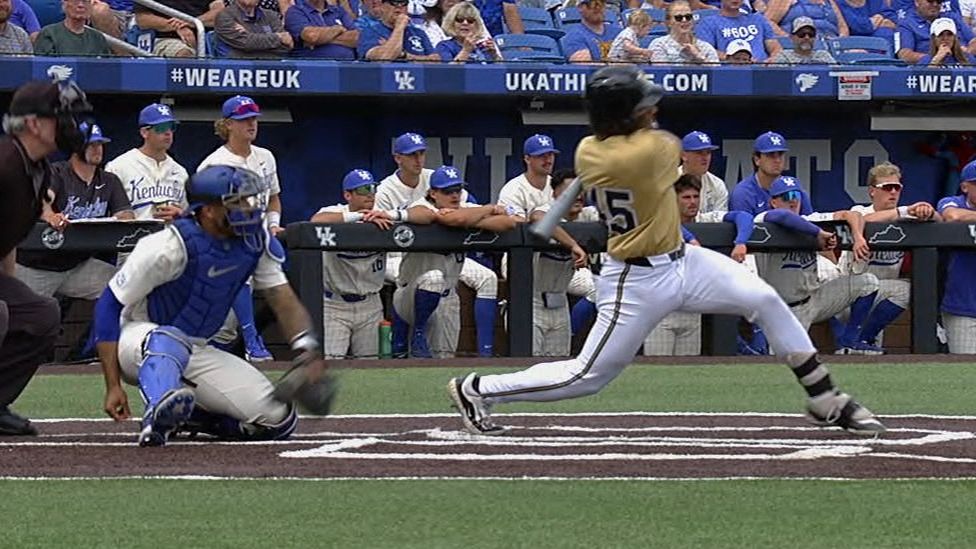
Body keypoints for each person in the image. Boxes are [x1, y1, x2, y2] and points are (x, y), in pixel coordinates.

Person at [445, 65, 885, 437]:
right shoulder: (653, 150)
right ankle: (478, 388)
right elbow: (662, 145)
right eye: (643, 106)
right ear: (624, 116)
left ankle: (825, 397)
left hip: (683, 258)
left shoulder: (590, 151)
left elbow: (624, 142)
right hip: (634, 279)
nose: (653, 110)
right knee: (586, 376)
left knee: (765, 299)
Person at [92, 165, 327, 447]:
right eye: (236, 202)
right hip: (137, 341)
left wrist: (307, 349)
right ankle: (156, 413)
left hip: (197, 347)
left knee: (278, 417)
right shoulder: (168, 245)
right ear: (208, 210)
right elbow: (108, 305)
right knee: (169, 338)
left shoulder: (255, 240)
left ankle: (196, 417)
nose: (249, 208)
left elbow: (281, 296)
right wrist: (113, 385)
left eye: (250, 200)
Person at [0, 79, 92, 436]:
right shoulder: (5, 164)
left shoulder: (39, 171)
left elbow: (6, 239)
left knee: (40, 312)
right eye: (62, 118)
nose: (72, 127)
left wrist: (9, 288)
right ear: (34, 124)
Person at [375, 132, 500, 357]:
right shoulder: (385, 189)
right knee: (424, 279)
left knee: (486, 277)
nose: (418, 159)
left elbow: (467, 207)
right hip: (398, 256)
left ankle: (486, 355)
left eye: (421, 153)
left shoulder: (434, 177)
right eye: (412, 155)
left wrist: (484, 211)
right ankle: (403, 342)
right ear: (398, 158)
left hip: (444, 252)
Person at [394, 165, 517, 358]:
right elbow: (453, 221)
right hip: (412, 296)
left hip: (448, 297)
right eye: (447, 191)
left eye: (457, 190)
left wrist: (472, 218)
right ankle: (418, 332)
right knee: (433, 278)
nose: (454, 195)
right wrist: (484, 212)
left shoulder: (466, 209)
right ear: (433, 193)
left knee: (445, 360)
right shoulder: (422, 206)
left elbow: (509, 222)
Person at [198, 95, 282, 362]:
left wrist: (273, 226)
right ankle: (251, 338)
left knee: (223, 327)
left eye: (254, 118)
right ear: (228, 124)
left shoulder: (265, 157)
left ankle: (227, 351)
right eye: (244, 119)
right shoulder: (214, 163)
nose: (251, 124)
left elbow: (274, 198)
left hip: (259, 232)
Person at [753, 177, 882, 348]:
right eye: (786, 196)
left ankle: (850, 342)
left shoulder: (810, 219)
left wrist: (858, 237)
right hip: (781, 310)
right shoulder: (763, 220)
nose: (792, 200)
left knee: (868, 283)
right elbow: (782, 216)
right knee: (778, 364)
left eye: (796, 195)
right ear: (774, 202)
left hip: (813, 302)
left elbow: (852, 214)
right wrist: (818, 233)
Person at [15, 123, 133, 300]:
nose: (97, 149)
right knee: (25, 317)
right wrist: (49, 215)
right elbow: (43, 198)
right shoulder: (56, 172)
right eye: (91, 145)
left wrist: (121, 220)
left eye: (100, 144)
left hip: (78, 266)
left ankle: (102, 328)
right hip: (37, 267)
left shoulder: (109, 180)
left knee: (127, 286)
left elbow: (126, 214)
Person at [644, 173, 754, 356]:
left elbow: (743, 216)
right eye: (686, 197)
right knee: (656, 372)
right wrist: (691, 239)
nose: (692, 202)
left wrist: (740, 241)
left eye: (696, 197)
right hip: (661, 312)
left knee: (688, 373)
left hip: (692, 311)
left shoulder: (705, 219)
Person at [835, 161, 939, 354]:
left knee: (908, 289)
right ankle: (855, 341)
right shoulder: (861, 211)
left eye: (897, 187)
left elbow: (941, 224)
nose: (893, 192)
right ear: (872, 191)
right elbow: (863, 220)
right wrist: (904, 211)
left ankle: (862, 338)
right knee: (873, 283)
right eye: (887, 187)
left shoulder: (907, 219)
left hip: (878, 300)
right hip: (848, 295)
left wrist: (929, 212)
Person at [310, 169, 396, 359]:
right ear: (347, 195)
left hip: (371, 304)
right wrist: (358, 216)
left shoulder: (383, 215)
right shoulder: (334, 212)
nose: (370, 194)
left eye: (373, 188)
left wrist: (391, 216)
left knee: (371, 369)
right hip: (335, 304)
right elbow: (316, 222)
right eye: (364, 190)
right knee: (330, 363)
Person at [528, 171, 590, 357]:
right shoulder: (545, 210)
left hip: (560, 303)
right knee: (529, 365)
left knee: (558, 366)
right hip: (532, 302)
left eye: (580, 190)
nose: (578, 196)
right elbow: (538, 218)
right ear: (556, 195)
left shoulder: (588, 216)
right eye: (570, 191)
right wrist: (573, 244)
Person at [105, 103, 189, 221]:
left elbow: (189, 215)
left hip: (170, 236)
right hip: (132, 237)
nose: (168, 132)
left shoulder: (180, 172)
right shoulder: (118, 167)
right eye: (161, 128)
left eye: (171, 127)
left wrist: (181, 214)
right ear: (144, 132)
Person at [936, 159, 976, 354]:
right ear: (964, 186)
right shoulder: (952, 202)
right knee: (965, 371)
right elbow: (953, 217)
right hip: (962, 307)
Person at [729, 131, 814, 216]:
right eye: (770, 155)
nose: (777, 160)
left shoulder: (795, 189)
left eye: (780, 155)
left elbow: (809, 224)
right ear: (757, 160)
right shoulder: (743, 193)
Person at [694, 0, 781, 61]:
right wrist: (737, 59)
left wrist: (772, 59)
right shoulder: (708, 22)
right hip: (730, 70)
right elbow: (706, 50)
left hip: (761, 69)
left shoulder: (758, 19)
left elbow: (774, 46)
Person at [897, 0, 975, 64]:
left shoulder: (953, 17)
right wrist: (937, 57)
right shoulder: (907, 23)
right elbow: (905, 54)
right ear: (917, 2)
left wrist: (962, 54)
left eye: (939, 1)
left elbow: (974, 40)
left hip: (963, 63)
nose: (935, 4)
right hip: (929, 68)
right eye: (930, 1)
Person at [357, 0, 439, 60]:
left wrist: (403, 55)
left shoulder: (418, 33)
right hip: (384, 78)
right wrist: (399, 27)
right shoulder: (370, 32)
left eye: (403, 3)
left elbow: (435, 60)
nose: (399, 6)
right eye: (393, 2)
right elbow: (384, 57)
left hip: (417, 78)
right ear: (382, 6)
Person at [214, 0, 294, 58]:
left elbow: (285, 47)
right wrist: (278, 37)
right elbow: (246, 43)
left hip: (269, 69)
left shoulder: (271, 16)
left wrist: (249, 35)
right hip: (236, 69)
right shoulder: (225, 16)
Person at [648, 0, 719, 64]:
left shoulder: (705, 47)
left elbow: (717, 75)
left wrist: (699, 57)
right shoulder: (659, 45)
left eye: (688, 17)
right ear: (668, 23)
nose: (684, 20)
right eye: (678, 17)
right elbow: (661, 73)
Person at [284, 0, 359, 60]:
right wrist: (338, 29)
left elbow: (357, 38)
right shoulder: (295, 11)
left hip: (346, 67)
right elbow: (311, 36)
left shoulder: (339, 11)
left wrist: (321, 39)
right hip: (311, 67)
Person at [34, 0, 113, 56]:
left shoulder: (98, 38)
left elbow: (106, 69)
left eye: (85, 1)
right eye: (75, 1)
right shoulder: (49, 34)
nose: (80, 5)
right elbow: (43, 68)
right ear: (65, 4)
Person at [435, 1, 502, 62]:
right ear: (451, 23)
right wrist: (466, 51)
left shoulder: (483, 47)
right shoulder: (444, 46)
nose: (465, 23)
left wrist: (494, 56)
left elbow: (501, 72)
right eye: (459, 20)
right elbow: (448, 72)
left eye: (470, 20)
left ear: (476, 25)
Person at [679, 130, 727, 214]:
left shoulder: (717, 185)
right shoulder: (668, 181)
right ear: (683, 156)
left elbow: (720, 221)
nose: (705, 158)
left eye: (708, 152)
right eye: (699, 153)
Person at [764, 0, 849, 38]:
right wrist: (787, 38)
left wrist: (841, 40)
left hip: (831, 46)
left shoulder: (830, 2)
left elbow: (842, 26)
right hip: (799, 47)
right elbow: (767, 21)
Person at [769, 16, 838, 63]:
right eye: (801, 34)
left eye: (811, 34)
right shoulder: (784, 57)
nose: (806, 37)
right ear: (792, 37)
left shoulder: (824, 56)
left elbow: (838, 75)